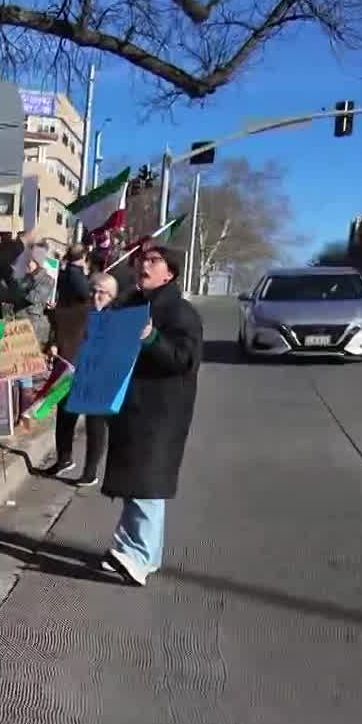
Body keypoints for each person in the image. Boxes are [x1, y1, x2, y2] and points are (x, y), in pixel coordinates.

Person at [103, 245, 202, 586]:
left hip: (161, 411)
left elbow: (185, 359)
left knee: (148, 483)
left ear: (169, 273)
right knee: (136, 482)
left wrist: (153, 337)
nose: (144, 265)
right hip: (130, 406)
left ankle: (139, 557)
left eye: (154, 261)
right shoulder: (130, 304)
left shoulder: (180, 313)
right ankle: (138, 551)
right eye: (142, 260)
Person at [43, 269, 118, 486]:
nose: (96, 296)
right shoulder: (79, 312)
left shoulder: (115, 319)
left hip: (99, 377)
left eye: (103, 293)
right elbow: (61, 332)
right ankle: (63, 460)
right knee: (65, 417)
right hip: (72, 373)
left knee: (95, 424)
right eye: (93, 291)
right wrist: (55, 345)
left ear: (112, 296)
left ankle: (90, 472)